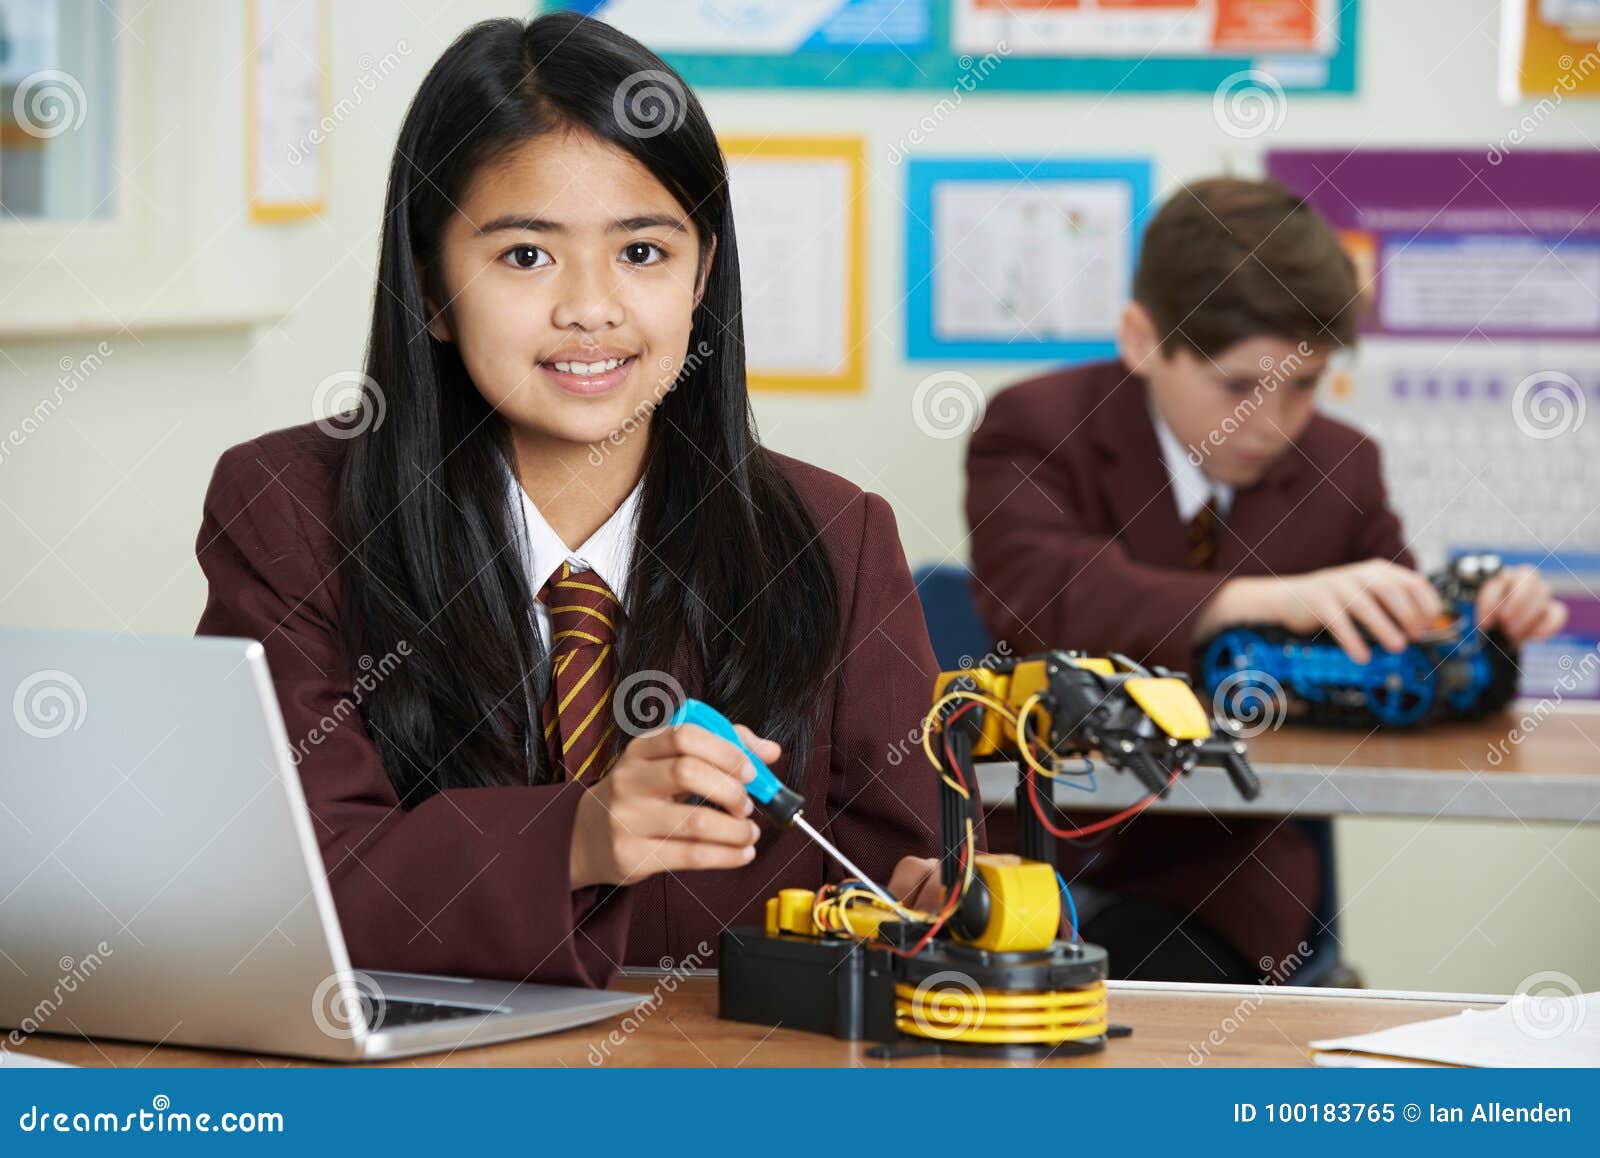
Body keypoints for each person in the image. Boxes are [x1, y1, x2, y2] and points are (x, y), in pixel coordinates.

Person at [194, 13, 945, 988]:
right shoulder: (290, 513)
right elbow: (289, 889)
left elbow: (903, 880)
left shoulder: (838, 537)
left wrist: (950, 908)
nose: (591, 308)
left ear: (702, 275)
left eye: (643, 253)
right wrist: (579, 838)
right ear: (430, 286)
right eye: (525, 255)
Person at [965, 176, 1565, 982]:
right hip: (1035, 851)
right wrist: (1258, 600)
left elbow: (1405, 657)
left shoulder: (1343, 466)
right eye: (1239, 386)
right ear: (1142, 339)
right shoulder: (1036, 426)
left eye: (1304, 386)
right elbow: (1042, 598)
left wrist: (1478, 626)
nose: (1272, 424)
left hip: (1220, 875)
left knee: (1142, 999)